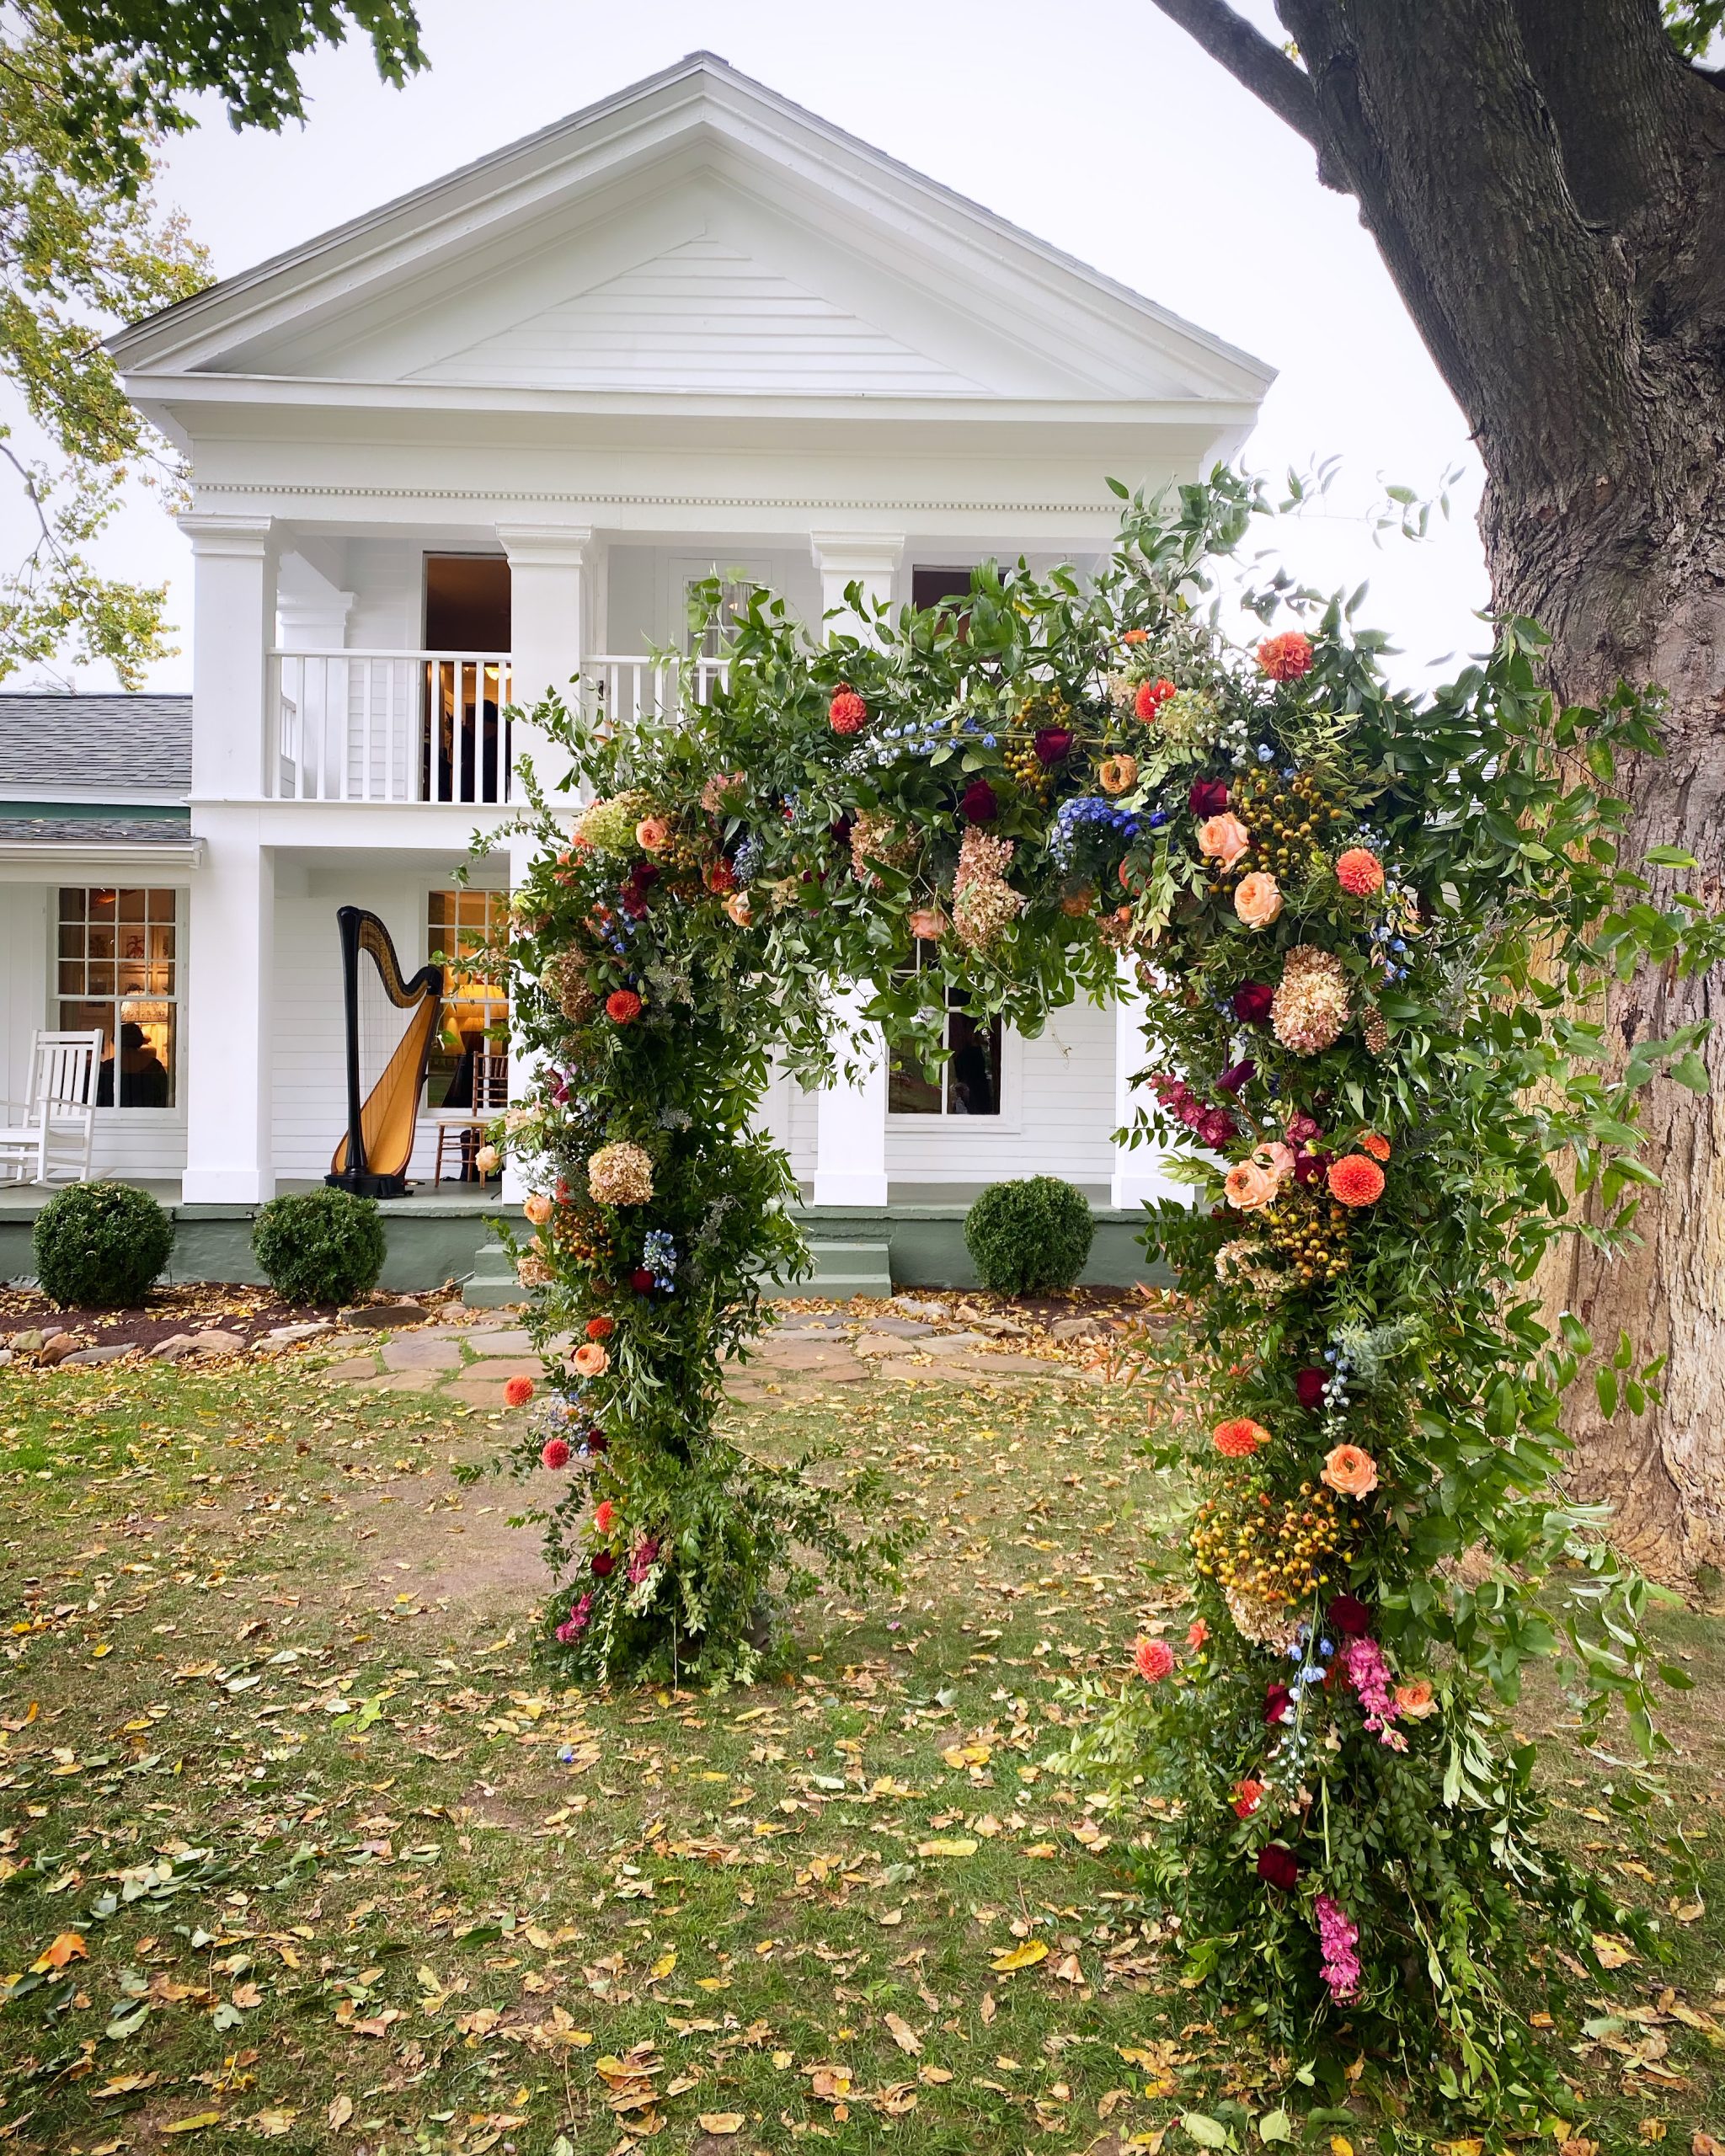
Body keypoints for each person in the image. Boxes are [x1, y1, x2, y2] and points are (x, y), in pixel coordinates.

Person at [96, 1021, 169, 1107]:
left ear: (116, 1041)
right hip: (150, 1117)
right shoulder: (156, 1067)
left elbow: (101, 1100)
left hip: (113, 1117)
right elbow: (162, 1098)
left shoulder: (107, 1067)